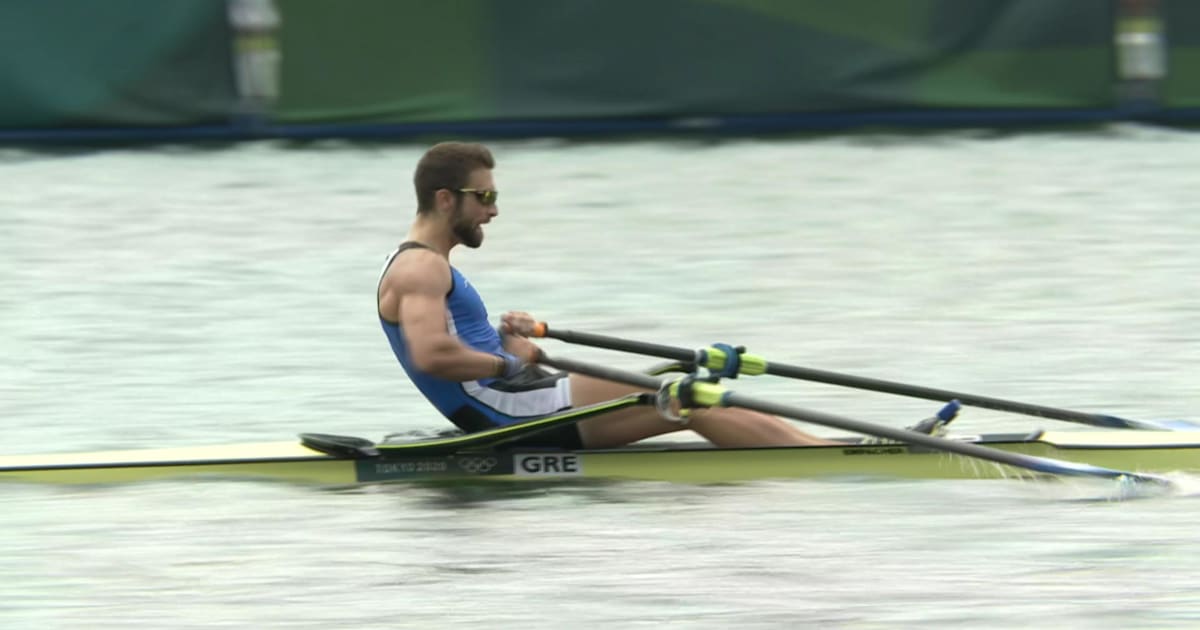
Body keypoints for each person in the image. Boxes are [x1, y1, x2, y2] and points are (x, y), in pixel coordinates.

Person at [377, 141, 833, 450]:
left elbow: (461, 352)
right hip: (503, 410)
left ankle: (830, 449)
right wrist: (508, 362)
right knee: (684, 396)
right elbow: (432, 356)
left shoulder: (425, 265)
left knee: (685, 387)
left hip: (514, 393)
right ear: (444, 199)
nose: (493, 210)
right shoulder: (421, 268)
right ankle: (823, 455)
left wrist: (510, 345)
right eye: (484, 196)